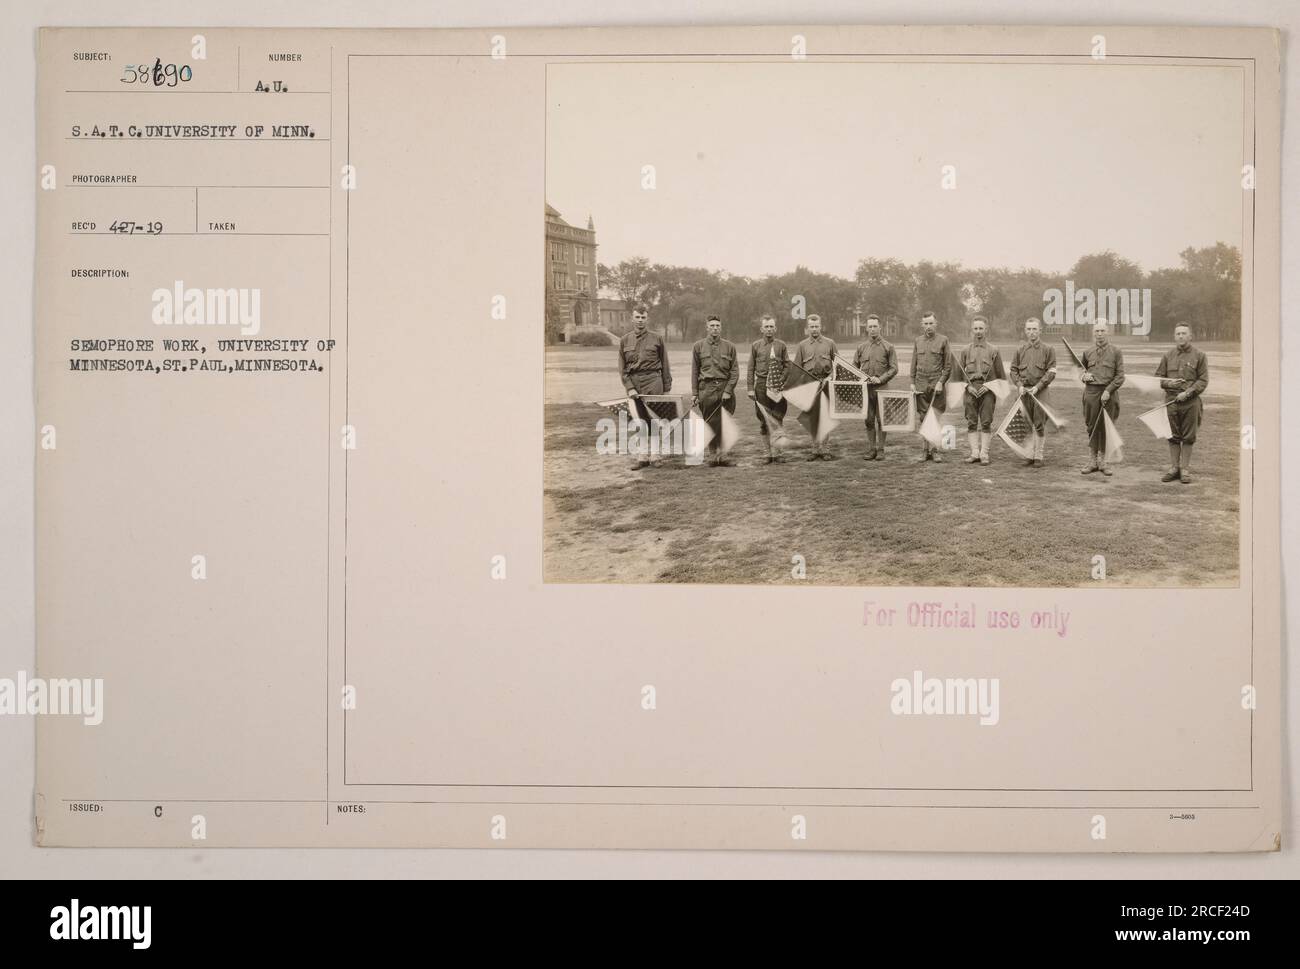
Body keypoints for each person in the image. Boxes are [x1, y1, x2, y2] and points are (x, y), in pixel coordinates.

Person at [617, 303, 671, 470]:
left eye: (643, 317)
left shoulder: (657, 338)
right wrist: (630, 387)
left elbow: (665, 363)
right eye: (637, 317)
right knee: (639, 420)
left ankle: (655, 455)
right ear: (632, 318)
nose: (640, 320)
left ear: (647, 319)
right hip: (635, 382)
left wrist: (666, 386)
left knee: (654, 419)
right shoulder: (625, 340)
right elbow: (622, 367)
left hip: (654, 380)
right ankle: (642, 456)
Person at [1154, 322, 1209, 484]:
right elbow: (1158, 378)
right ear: (1174, 336)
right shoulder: (1167, 356)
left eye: (1184, 333)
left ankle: (1185, 469)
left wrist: (1188, 392)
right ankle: (1174, 468)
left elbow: (1203, 380)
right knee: (1172, 436)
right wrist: (1169, 384)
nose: (1181, 336)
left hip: (1190, 403)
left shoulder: (1200, 356)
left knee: (1188, 436)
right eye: (1178, 334)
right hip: (1171, 402)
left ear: (1190, 336)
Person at [953, 316, 1005, 465]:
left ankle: (984, 454)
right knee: (971, 422)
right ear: (971, 330)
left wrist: (987, 387)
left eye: (981, 328)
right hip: (970, 391)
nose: (978, 332)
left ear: (986, 329)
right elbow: (958, 375)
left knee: (986, 422)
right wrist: (968, 386)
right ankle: (974, 452)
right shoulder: (964, 350)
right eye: (975, 328)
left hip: (987, 392)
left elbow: (1000, 375)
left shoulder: (994, 350)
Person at [1008, 317, 1058, 468]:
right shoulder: (1020, 350)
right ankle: (1029, 454)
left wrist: (1038, 386)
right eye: (1029, 329)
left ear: (1040, 330)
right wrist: (1019, 385)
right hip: (1024, 392)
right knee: (1026, 423)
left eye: (1034, 329)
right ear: (1025, 331)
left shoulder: (1048, 349)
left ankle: (1039, 455)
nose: (1031, 332)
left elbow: (1051, 371)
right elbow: (1013, 370)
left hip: (1040, 391)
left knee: (1039, 424)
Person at [1079, 319, 1126, 477]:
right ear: (1093, 333)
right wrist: (1083, 376)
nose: (1099, 334)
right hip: (1091, 394)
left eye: (1102, 331)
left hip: (1108, 394)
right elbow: (1081, 371)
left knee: (1106, 426)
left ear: (1108, 332)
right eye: (1097, 331)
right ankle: (1092, 461)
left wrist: (1109, 390)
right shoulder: (1087, 352)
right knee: (1091, 426)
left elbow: (1120, 376)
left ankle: (1103, 461)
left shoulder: (1116, 352)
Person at [691, 315, 739, 467]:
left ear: (721, 328)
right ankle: (713, 455)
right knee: (709, 422)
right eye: (712, 326)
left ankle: (723, 455)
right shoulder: (698, 346)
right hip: (706, 389)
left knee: (724, 422)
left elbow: (735, 371)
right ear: (707, 327)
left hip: (725, 389)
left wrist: (728, 390)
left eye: (717, 326)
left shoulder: (730, 347)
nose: (715, 328)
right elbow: (695, 371)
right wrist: (694, 393)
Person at [792, 314, 838, 460]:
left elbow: (838, 366)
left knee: (825, 417)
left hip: (826, 384)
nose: (814, 329)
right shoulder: (802, 346)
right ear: (807, 328)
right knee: (812, 418)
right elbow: (797, 368)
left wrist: (830, 378)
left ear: (821, 326)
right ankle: (815, 449)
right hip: (809, 386)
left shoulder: (830, 343)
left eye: (816, 326)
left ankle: (825, 449)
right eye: (811, 327)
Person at [852, 314, 898, 460]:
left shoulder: (888, 347)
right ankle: (872, 449)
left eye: (875, 326)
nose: (872, 329)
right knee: (868, 419)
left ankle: (881, 449)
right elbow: (854, 367)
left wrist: (880, 379)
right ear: (866, 328)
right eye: (870, 326)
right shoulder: (861, 347)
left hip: (882, 389)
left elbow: (894, 368)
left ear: (880, 327)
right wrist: (859, 377)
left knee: (882, 419)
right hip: (865, 390)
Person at [747, 314, 789, 464]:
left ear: (775, 328)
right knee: (764, 421)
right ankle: (767, 454)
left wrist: (780, 381)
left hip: (777, 386)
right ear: (761, 329)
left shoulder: (781, 346)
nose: (769, 329)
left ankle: (778, 453)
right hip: (761, 387)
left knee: (777, 419)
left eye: (772, 326)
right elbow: (751, 368)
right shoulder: (756, 346)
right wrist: (750, 388)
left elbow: (787, 366)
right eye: (766, 326)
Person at [909, 311, 950, 462]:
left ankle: (935, 450)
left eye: (931, 323)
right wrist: (912, 383)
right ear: (922, 325)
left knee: (935, 417)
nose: (928, 326)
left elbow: (948, 366)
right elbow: (913, 364)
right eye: (925, 324)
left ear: (936, 324)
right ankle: (925, 450)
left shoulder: (943, 340)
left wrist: (941, 382)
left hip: (936, 384)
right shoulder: (917, 341)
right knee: (923, 417)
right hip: (920, 384)